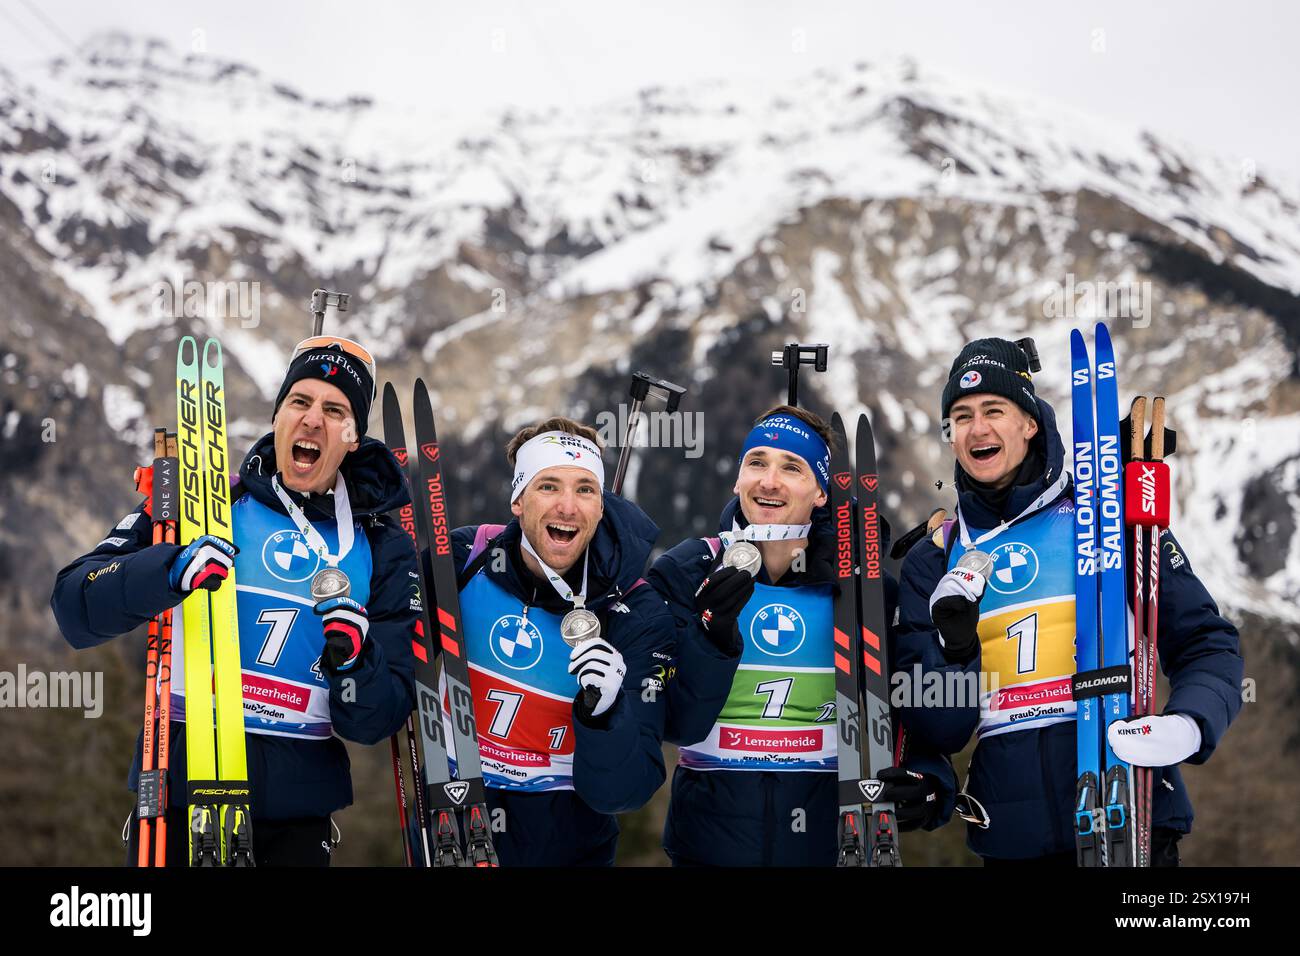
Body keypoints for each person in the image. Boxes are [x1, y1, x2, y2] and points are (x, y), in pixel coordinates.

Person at [51, 336, 418, 866]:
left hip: (294, 819)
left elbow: (376, 721)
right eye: (300, 402)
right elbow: (74, 606)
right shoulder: (203, 503)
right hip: (178, 796)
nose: (313, 419)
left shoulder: (381, 547)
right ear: (279, 416)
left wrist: (358, 662)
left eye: (334, 410)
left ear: (353, 437)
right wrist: (168, 571)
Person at [894, 337, 1243, 865]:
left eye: (995, 410)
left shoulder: (1106, 518)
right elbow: (941, 728)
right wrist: (956, 645)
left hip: (1132, 811)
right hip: (1010, 833)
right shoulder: (934, 557)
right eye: (961, 417)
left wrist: (1189, 723)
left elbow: (1207, 642)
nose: (977, 429)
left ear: (1030, 423)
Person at [648, 405, 956, 866]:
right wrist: (709, 634)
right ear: (737, 480)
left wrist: (932, 782)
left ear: (819, 494)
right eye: (756, 463)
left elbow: (908, 713)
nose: (769, 481)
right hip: (708, 847)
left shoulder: (864, 591)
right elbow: (664, 718)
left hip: (830, 847)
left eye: (792, 467)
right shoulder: (685, 571)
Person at [430, 417, 674, 866]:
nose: (567, 506)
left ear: (602, 507)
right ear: (518, 500)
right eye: (548, 486)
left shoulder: (636, 612)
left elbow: (627, 791)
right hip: (453, 826)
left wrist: (605, 716)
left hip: (568, 846)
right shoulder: (465, 561)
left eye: (585, 489)